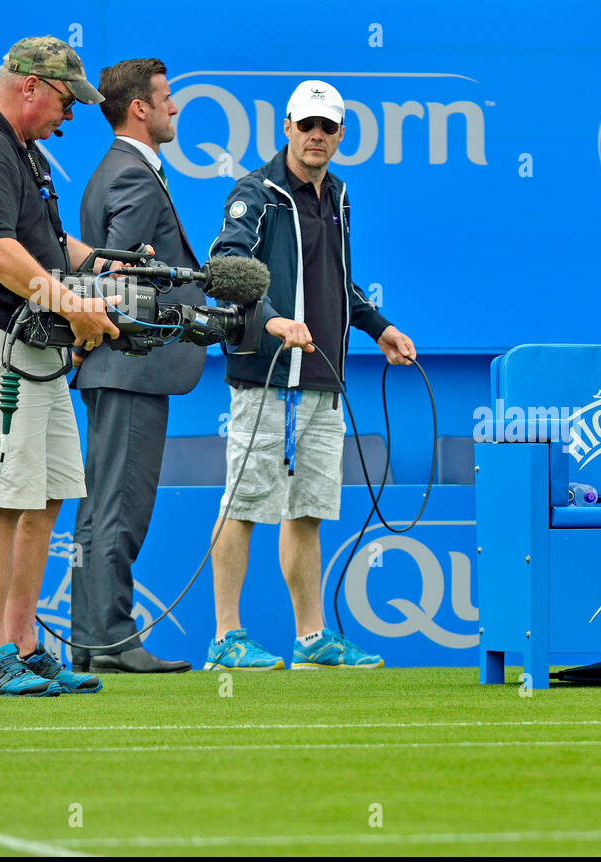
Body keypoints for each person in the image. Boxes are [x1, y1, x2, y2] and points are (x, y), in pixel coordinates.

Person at [0, 37, 122, 696]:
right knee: (2, 497)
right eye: (68, 101)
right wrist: (77, 308)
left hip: (30, 338)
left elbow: (47, 242)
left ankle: (23, 643)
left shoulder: (24, 153)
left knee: (44, 496)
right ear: (31, 87)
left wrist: (105, 263)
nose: (71, 117)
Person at [206, 79, 416, 671]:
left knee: (309, 511)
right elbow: (225, 268)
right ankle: (226, 639)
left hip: (323, 379)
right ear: (288, 128)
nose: (317, 136)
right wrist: (271, 321)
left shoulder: (340, 195)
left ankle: (311, 638)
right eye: (307, 125)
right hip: (265, 372)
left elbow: (337, 278)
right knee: (244, 505)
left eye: (328, 127)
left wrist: (379, 327)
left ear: (341, 134)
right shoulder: (256, 192)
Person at [70, 58, 199, 674]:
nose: (174, 107)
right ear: (140, 109)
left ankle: (95, 639)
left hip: (118, 367)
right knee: (118, 504)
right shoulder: (133, 176)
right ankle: (112, 639)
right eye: (166, 98)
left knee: (101, 504)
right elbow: (115, 274)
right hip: (129, 364)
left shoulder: (116, 171)